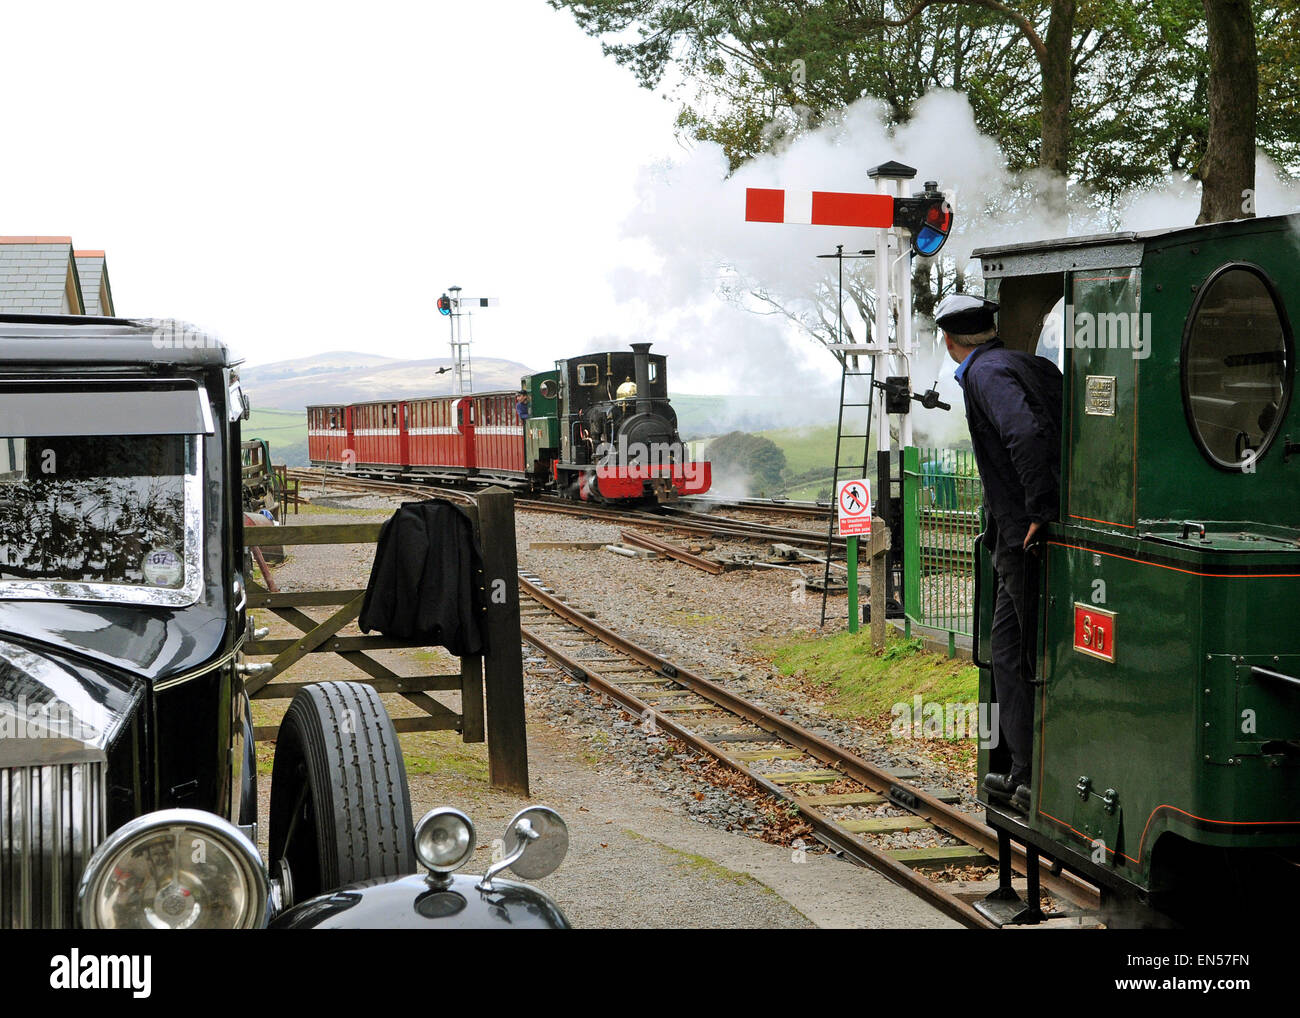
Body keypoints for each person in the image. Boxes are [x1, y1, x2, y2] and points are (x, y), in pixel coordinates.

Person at [935, 293, 1062, 815]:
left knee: (1030, 653)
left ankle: (1039, 772)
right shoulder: (1028, 364)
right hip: (1017, 535)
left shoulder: (985, 376)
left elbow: (1025, 433)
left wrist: (1038, 508)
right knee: (1007, 653)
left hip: (1022, 537)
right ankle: (1022, 770)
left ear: (950, 341)